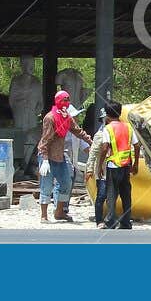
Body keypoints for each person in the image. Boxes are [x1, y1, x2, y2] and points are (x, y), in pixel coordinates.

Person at [37, 90, 91, 223]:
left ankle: (59, 212)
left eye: (68, 100)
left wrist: (91, 141)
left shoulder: (67, 117)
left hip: (60, 156)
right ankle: (44, 215)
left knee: (66, 183)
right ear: (58, 101)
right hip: (48, 156)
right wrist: (44, 160)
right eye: (64, 100)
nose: (66, 103)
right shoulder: (50, 118)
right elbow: (45, 140)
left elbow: (78, 131)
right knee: (47, 185)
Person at [88, 102, 138, 229]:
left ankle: (110, 220)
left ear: (107, 116)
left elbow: (104, 148)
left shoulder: (108, 129)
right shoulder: (128, 127)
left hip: (113, 165)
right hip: (126, 165)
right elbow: (136, 146)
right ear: (120, 113)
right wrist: (135, 163)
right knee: (126, 194)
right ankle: (126, 221)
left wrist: (99, 166)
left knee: (111, 194)